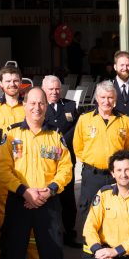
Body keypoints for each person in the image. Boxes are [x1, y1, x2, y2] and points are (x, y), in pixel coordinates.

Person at [0, 88, 78, 259]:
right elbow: (3, 169)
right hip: (19, 203)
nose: (37, 107)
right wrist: (24, 192)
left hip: (47, 204)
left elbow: (65, 169)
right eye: (32, 103)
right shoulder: (11, 135)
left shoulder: (56, 136)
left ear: (46, 107)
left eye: (41, 103)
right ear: (24, 104)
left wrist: (49, 190)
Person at [72, 81, 129, 234]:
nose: (107, 101)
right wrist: (92, 160)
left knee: (117, 212)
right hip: (92, 175)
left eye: (110, 98)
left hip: (117, 176)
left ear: (115, 99)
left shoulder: (124, 120)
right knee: (90, 211)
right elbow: (78, 147)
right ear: (97, 98)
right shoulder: (85, 119)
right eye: (103, 97)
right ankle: (91, 250)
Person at [43, 75, 80, 245]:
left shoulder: (70, 106)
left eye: (57, 88)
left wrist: (62, 141)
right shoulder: (40, 107)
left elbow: (76, 128)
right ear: (44, 90)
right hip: (47, 161)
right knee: (50, 198)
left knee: (68, 198)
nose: (54, 92)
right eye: (50, 89)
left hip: (67, 159)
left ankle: (69, 232)